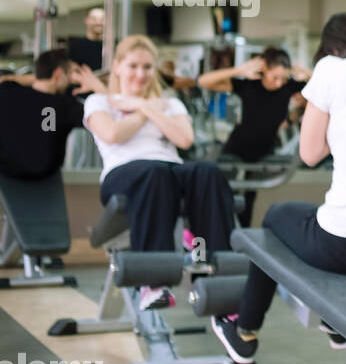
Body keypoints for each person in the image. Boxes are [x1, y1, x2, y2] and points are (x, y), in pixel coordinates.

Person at [210, 14, 346, 364]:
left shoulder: (332, 68)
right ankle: (334, 323)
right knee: (323, 220)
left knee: (276, 215)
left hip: (343, 247)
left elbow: (310, 154)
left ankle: (244, 330)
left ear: (333, 47)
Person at [82, 35, 236, 310]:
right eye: (133, 66)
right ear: (117, 66)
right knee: (154, 173)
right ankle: (153, 283)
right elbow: (112, 134)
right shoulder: (100, 102)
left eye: (147, 67)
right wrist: (145, 109)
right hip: (123, 173)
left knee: (207, 172)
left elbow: (184, 139)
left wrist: (146, 106)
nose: (140, 74)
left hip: (169, 169)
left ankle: (219, 269)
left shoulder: (171, 102)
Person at [198, 48, 310, 224]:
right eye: (275, 77)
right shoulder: (249, 85)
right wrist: (238, 71)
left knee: (249, 198)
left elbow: (327, 88)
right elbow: (203, 81)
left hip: (263, 151)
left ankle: (242, 239)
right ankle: (221, 232)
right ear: (264, 69)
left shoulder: (288, 87)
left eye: (283, 78)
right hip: (236, 147)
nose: (279, 83)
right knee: (227, 193)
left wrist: (308, 73)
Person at [0, 50, 105, 180]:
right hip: (45, 182)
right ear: (58, 74)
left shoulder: (7, 91)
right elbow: (107, 115)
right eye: (69, 75)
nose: (70, 81)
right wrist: (97, 86)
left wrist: (40, 76)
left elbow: (4, 80)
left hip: (6, 180)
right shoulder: (65, 105)